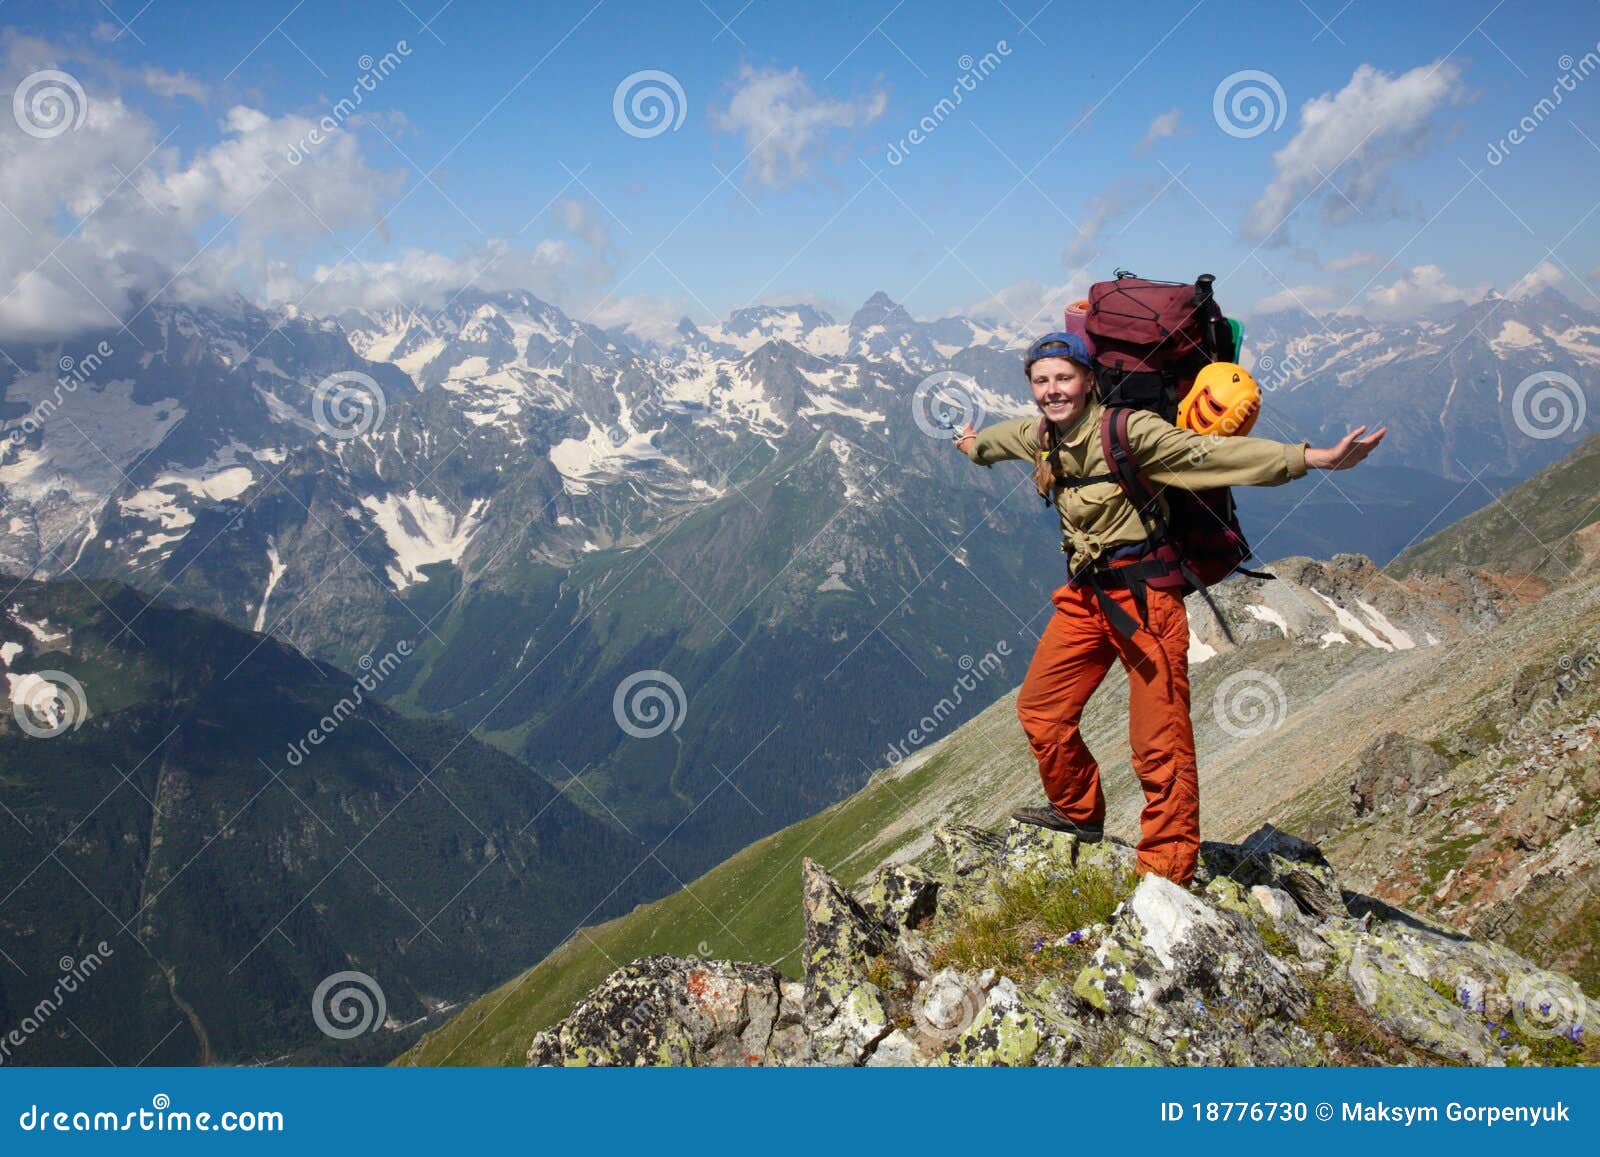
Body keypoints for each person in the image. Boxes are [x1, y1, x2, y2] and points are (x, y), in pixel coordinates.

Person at [953, 332, 1385, 886]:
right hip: (1085, 597)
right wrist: (971, 446)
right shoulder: (1040, 434)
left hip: (1146, 602)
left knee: (1159, 741)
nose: (1052, 390)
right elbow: (995, 442)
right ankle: (1078, 814)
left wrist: (1312, 458)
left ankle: (1166, 870)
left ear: (1088, 381)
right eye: (1041, 381)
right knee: (1041, 710)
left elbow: (1216, 455)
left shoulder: (1130, 432)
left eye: (1064, 378)